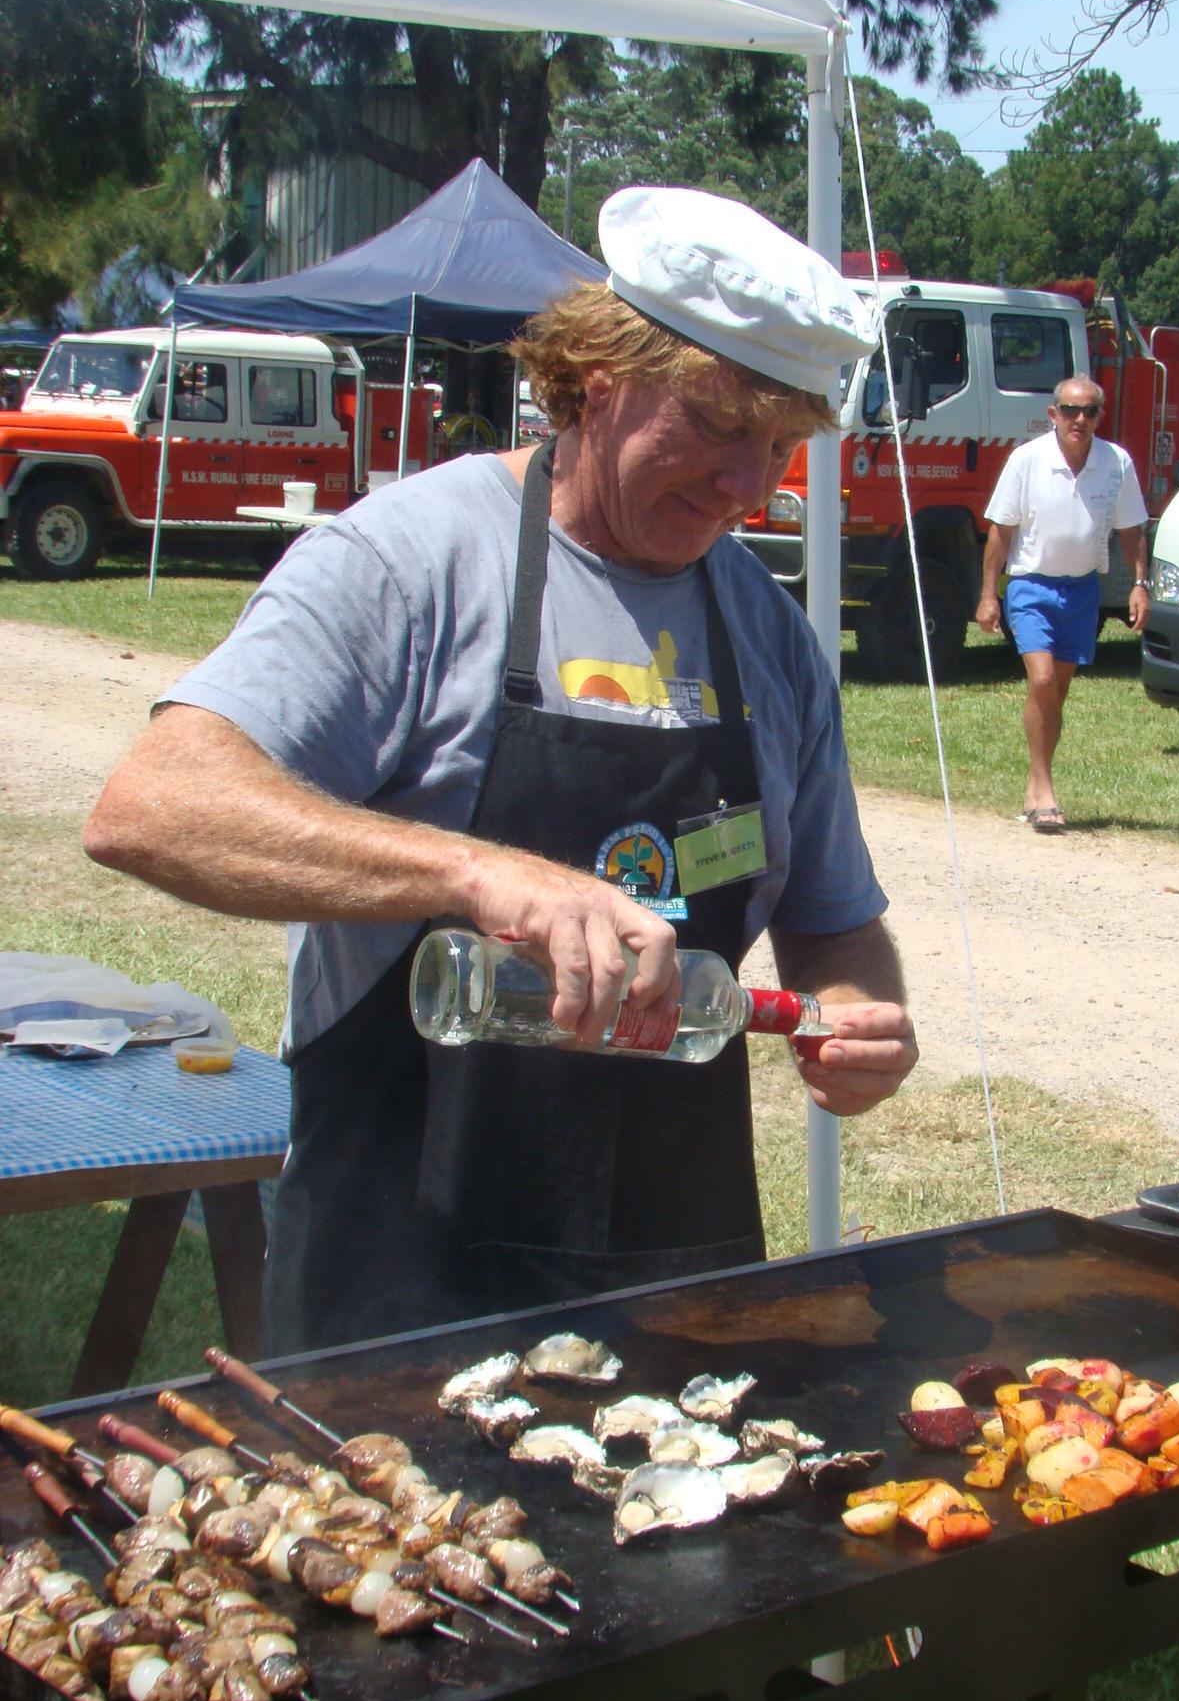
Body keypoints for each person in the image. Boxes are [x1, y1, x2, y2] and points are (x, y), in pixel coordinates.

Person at [84, 187, 919, 1355]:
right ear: (597, 372)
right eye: (721, 423)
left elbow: (835, 921)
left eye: (781, 446)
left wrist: (864, 1013)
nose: (750, 484)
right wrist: (481, 876)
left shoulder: (771, 636)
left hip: (681, 1283)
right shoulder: (405, 560)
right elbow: (153, 806)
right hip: (403, 1281)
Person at [974, 376, 1149, 832]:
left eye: (1089, 411)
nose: (1079, 420)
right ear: (1053, 415)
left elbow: (1132, 529)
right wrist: (988, 595)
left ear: (1099, 417)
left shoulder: (1117, 463)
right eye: (1070, 411)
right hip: (1031, 585)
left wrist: (1139, 584)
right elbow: (1000, 531)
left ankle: (1036, 788)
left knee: (1055, 695)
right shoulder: (1027, 460)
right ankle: (1044, 787)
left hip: (1082, 590)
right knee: (1043, 678)